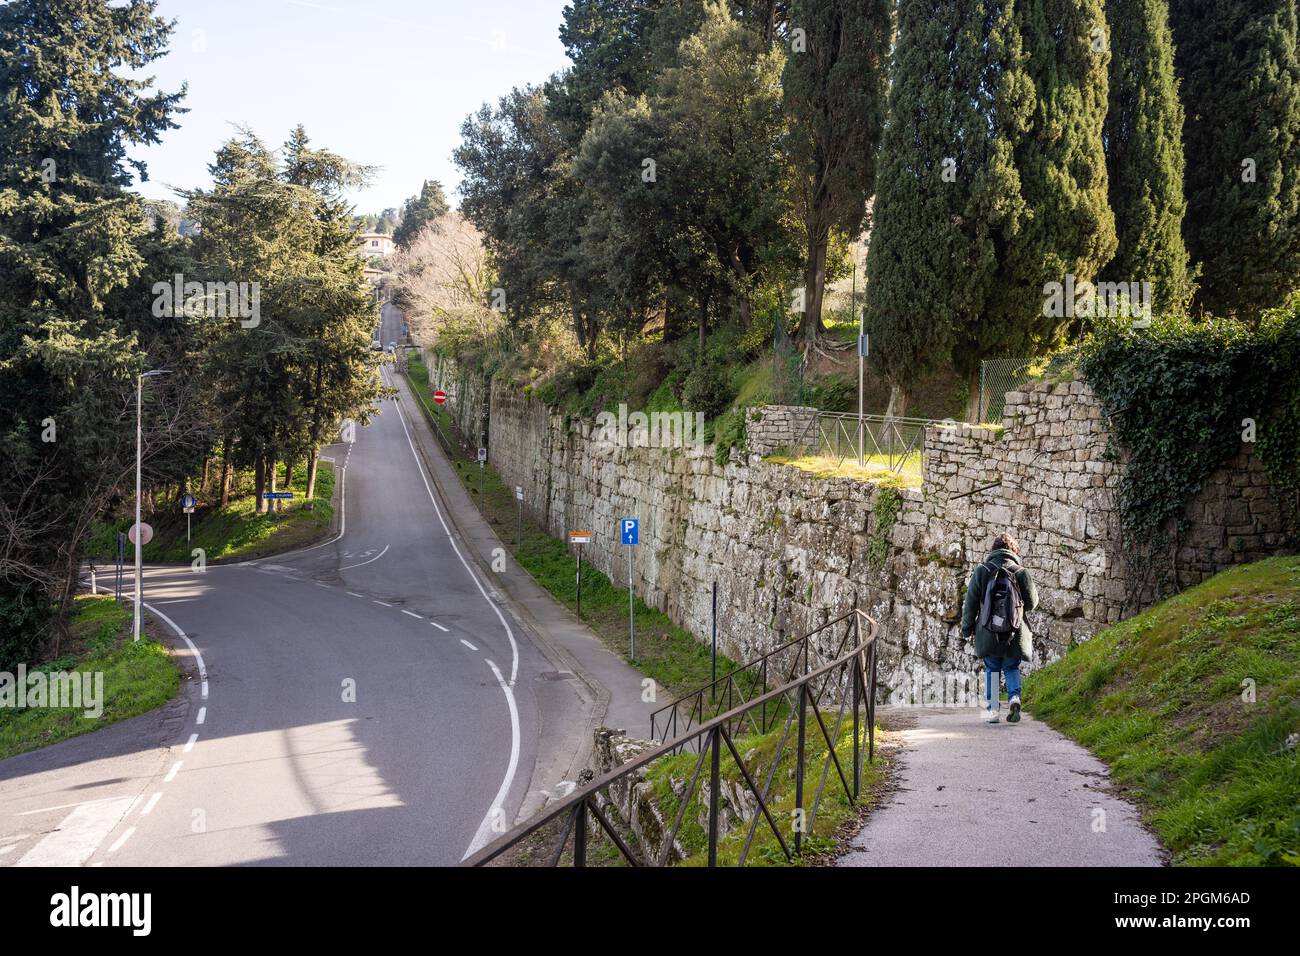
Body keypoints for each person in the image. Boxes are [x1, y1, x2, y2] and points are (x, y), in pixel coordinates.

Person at [961, 531, 1038, 723]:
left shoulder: (982, 571)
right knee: (1012, 667)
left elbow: (970, 603)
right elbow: (1032, 603)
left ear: (994, 550)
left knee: (992, 668)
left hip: (988, 631)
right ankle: (1014, 698)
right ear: (1013, 551)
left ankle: (993, 710)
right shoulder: (1021, 572)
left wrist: (967, 628)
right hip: (1014, 631)